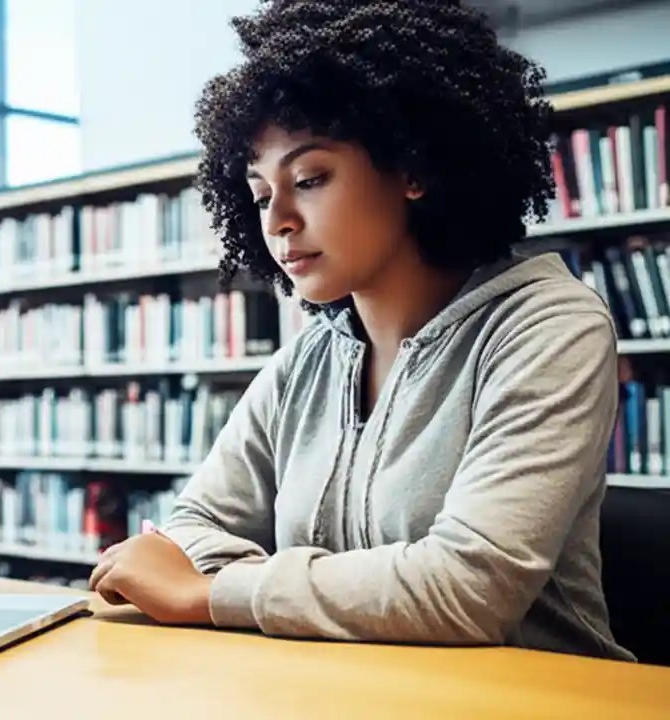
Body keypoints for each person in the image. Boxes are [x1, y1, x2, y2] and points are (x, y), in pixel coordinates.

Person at [87, 0, 635, 662]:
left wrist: (214, 593)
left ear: (414, 167)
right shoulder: (309, 360)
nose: (278, 220)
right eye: (261, 195)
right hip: (355, 690)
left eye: (310, 178)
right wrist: (333, 590)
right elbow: (188, 529)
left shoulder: (548, 328)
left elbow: (468, 588)